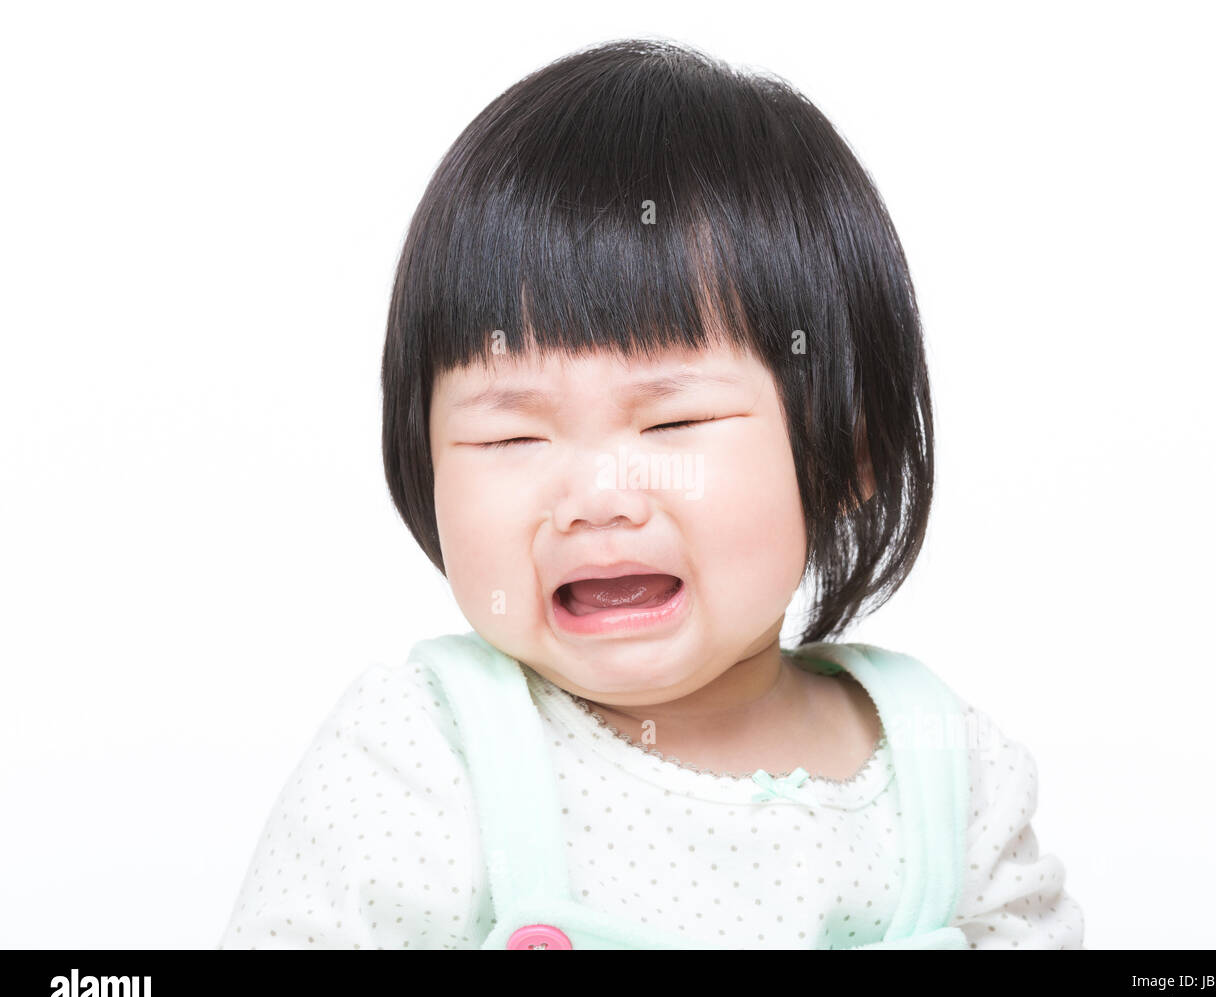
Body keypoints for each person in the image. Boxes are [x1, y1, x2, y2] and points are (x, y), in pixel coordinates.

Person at [219, 36, 1084, 950]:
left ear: (851, 452)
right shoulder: (425, 759)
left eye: (672, 425)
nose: (597, 496)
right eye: (512, 435)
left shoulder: (947, 776)